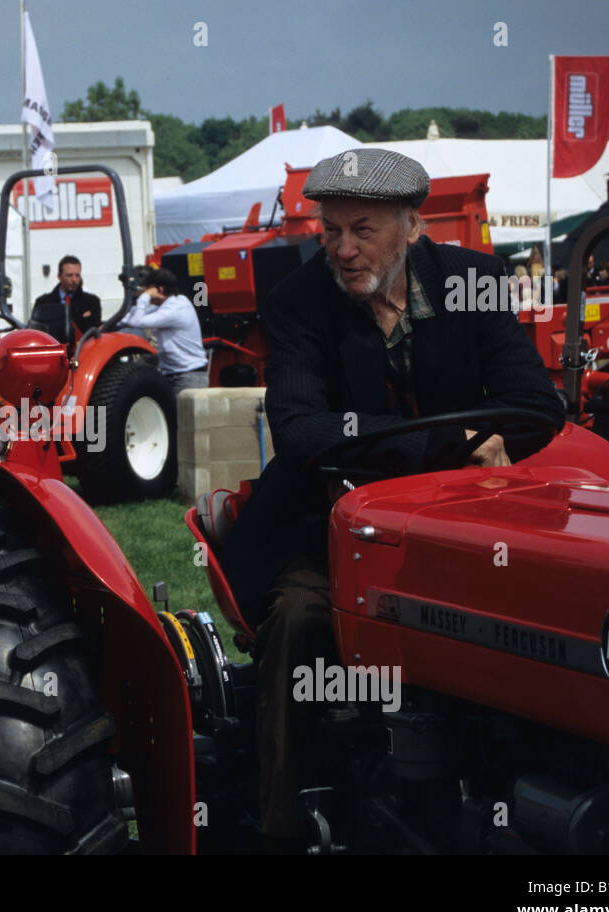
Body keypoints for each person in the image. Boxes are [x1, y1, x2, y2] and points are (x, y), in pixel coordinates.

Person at [220, 148, 565, 849]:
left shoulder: (479, 282)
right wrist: (452, 441)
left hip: (464, 527)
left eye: (362, 229)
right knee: (296, 621)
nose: (343, 249)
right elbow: (303, 432)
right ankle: (284, 825)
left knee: (549, 619)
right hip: (325, 526)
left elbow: (537, 407)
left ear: (413, 224)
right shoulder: (297, 301)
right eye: (330, 230)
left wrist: (475, 445)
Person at [121, 266, 209, 394]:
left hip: (188, 378)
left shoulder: (176, 308)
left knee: (186, 414)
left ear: (160, 290)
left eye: (150, 293)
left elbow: (136, 322)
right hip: (172, 375)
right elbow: (131, 318)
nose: (150, 299)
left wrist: (144, 297)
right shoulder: (164, 306)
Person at [30, 255, 102, 343]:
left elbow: (94, 333)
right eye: (69, 275)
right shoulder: (43, 303)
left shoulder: (92, 302)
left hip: (83, 353)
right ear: (59, 276)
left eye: (77, 275)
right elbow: (37, 334)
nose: (74, 280)